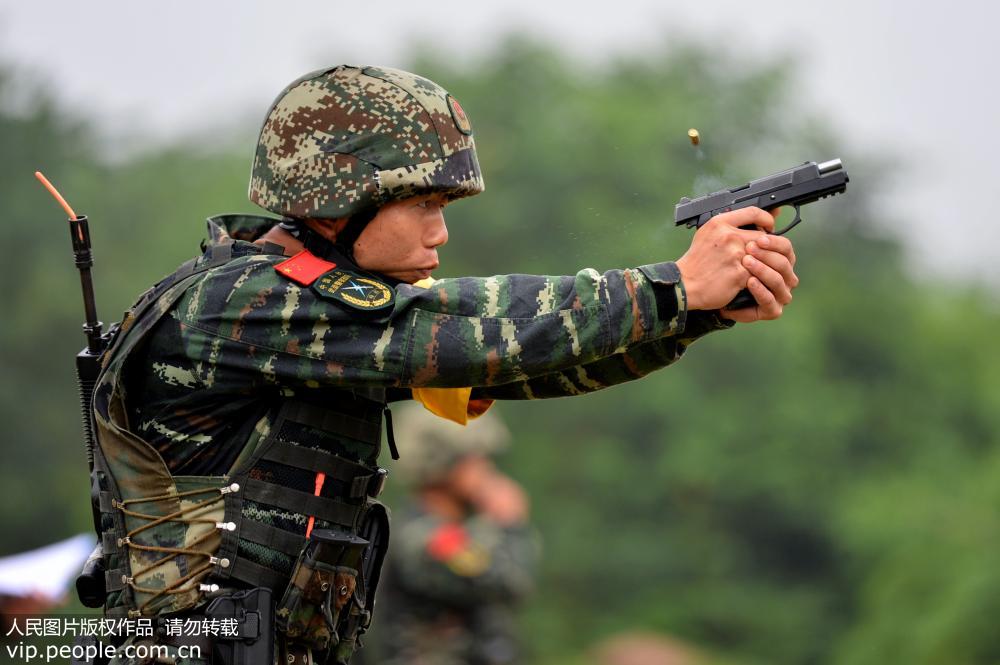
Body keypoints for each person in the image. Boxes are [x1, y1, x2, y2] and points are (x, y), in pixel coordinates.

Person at [83, 65, 798, 664]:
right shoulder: (246, 301)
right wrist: (671, 286)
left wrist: (696, 310)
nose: (442, 230)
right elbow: (474, 330)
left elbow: (517, 366)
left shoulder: (324, 318)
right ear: (343, 196)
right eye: (426, 201)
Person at [364, 404, 539, 665]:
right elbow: (508, 580)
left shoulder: (442, 531)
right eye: (476, 459)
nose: (487, 469)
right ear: (445, 463)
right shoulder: (423, 539)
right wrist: (509, 524)